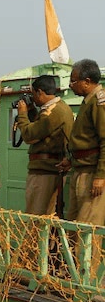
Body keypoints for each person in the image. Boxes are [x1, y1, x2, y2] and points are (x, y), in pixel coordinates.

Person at [15, 74, 74, 216]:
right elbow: (42, 129)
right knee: (45, 216)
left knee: (36, 215)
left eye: (33, 94)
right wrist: (32, 111)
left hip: (45, 172)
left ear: (40, 92)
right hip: (50, 170)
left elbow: (29, 135)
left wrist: (22, 114)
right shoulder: (58, 108)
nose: (33, 98)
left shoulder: (53, 112)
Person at [58, 58, 105, 226]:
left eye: (73, 81)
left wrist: (100, 176)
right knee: (73, 225)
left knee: (87, 229)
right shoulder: (88, 102)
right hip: (80, 170)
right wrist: (71, 160)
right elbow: (86, 139)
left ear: (87, 81)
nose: (70, 85)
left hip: (91, 174)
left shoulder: (99, 102)